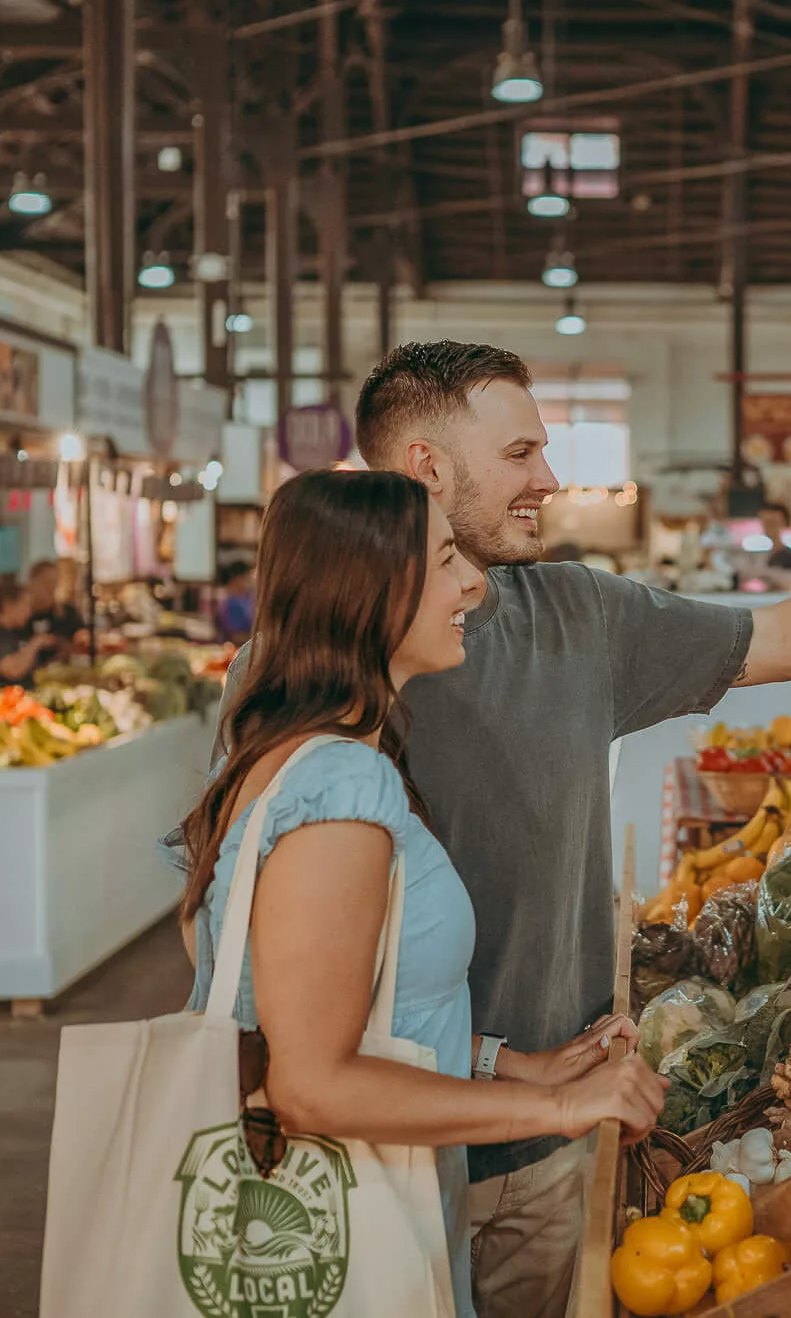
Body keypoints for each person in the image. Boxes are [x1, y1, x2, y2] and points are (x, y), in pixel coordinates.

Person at [290, 340, 791, 1318]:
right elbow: (278, 1021)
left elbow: (777, 637)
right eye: (519, 452)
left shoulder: (576, 614)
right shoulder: (309, 702)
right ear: (424, 468)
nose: (550, 479)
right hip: (371, 1161)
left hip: (545, 1142)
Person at [175, 469, 664, 1318]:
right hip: (350, 1242)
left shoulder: (300, 753)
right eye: (444, 560)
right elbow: (310, 1084)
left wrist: (508, 1062)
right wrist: (556, 1104)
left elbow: (343, 1004)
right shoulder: (341, 788)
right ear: (370, 592)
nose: (473, 582)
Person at [0, 577, 54, 686]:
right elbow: (12, 670)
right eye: (25, 605)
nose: (29, 611)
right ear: (8, 607)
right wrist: (35, 644)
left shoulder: (20, 631)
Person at [25, 560, 85, 642]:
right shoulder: (21, 617)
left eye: (54, 583)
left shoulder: (67, 614)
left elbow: (82, 637)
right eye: (46, 582)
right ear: (32, 582)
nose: (50, 588)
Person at [213, 560, 256, 643]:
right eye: (245, 578)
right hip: (236, 647)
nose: (249, 581)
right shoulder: (231, 603)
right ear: (236, 580)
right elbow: (236, 637)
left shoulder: (246, 598)